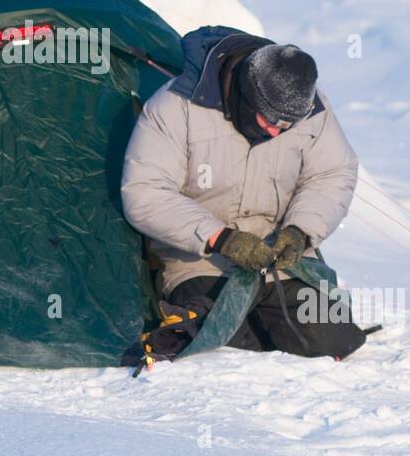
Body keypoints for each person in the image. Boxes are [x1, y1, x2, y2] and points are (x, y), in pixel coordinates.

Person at [121, 26, 366, 359]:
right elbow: (144, 192)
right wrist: (220, 238)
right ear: (245, 93)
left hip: (279, 258)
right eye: (269, 119)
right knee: (219, 340)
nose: (276, 131)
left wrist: (299, 232)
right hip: (202, 259)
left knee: (332, 339)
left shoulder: (310, 108)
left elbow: (332, 173)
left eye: (287, 125)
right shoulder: (176, 105)